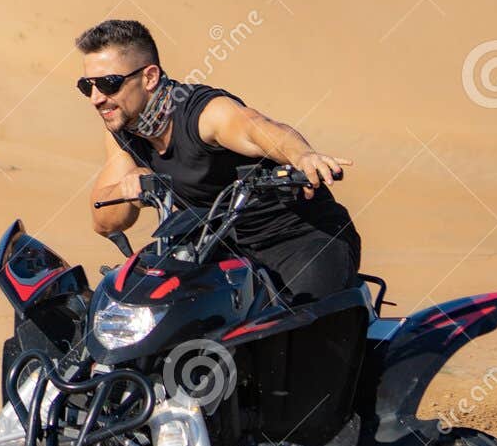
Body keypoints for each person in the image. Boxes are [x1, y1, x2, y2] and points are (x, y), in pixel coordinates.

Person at [77, 18, 360, 304]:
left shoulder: (203, 113)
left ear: (149, 77)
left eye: (108, 84)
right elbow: (104, 221)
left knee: (304, 326)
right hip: (214, 248)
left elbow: (256, 128)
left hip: (299, 240)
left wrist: (302, 155)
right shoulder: (124, 132)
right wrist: (128, 193)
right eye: (87, 86)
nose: (96, 99)